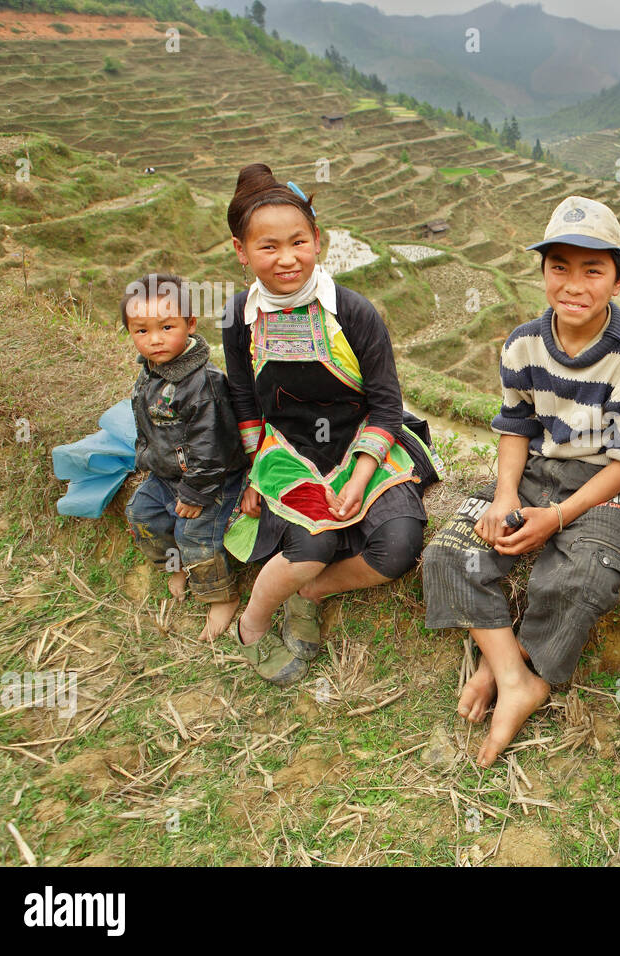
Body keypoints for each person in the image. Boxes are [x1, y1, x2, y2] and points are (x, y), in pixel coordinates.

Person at [422, 196, 620, 768]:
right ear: (543, 271)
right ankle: (515, 676)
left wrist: (557, 518)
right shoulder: (522, 344)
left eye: (593, 270)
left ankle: (505, 668)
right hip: (535, 472)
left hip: (607, 482)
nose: (573, 285)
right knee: (447, 554)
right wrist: (506, 496)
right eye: (560, 267)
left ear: (619, 280)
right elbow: (517, 426)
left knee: (584, 576)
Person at [221, 163, 438, 686]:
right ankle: (252, 624)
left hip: (363, 442)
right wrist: (253, 471)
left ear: (318, 240)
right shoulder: (238, 317)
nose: (287, 258)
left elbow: (386, 404)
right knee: (311, 545)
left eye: (299, 242)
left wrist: (360, 478)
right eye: (268, 246)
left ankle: (311, 593)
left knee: (399, 545)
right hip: (288, 450)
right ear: (241, 251)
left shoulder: (353, 312)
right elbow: (244, 398)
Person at [123, 273, 248, 641]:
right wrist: (146, 459)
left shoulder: (204, 383)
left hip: (211, 479)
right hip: (168, 475)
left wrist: (195, 493)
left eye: (166, 327)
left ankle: (221, 596)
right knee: (140, 513)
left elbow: (212, 448)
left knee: (194, 533)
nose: (155, 339)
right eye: (142, 330)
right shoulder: (151, 372)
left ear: (190, 324)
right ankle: (175, 564)